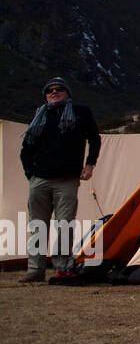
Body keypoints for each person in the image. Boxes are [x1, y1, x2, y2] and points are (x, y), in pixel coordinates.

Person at [18, 78, 100, 283]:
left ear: (68, 93)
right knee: (37, 225)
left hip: (67, 179)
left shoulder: (80, 112)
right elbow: (27, 146)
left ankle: (62, 266)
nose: (53, 92)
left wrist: (90, 164)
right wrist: (30, 173)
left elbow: (94, 138)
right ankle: (35, 269)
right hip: (40, 178)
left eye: (59, 89)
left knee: (64, 223)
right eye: (49, 90)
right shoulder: (40, 115)